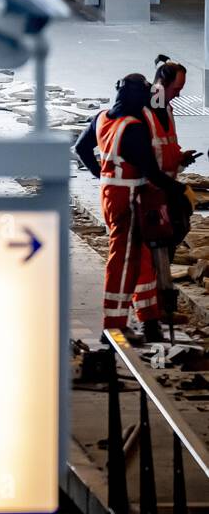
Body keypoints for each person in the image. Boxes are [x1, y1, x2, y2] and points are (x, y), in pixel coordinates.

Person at [75, 74, 179, 343]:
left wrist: (102, 175)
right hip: (130, 198)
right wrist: (179, 190)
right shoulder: (133, 127)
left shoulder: (102, 118)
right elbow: (150, 171)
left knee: (138, 257)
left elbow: (81, 147)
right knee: (123, 262)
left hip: (111, 193)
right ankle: (114, 326)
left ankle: (146, 317)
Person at [145, 55, 200, 175]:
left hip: (165, 188)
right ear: (161, 84)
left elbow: (163, 148)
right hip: (151, 190)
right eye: (176, 89)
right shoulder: (143, 112)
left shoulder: (167, 109)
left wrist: (180, 159)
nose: (178, 95)